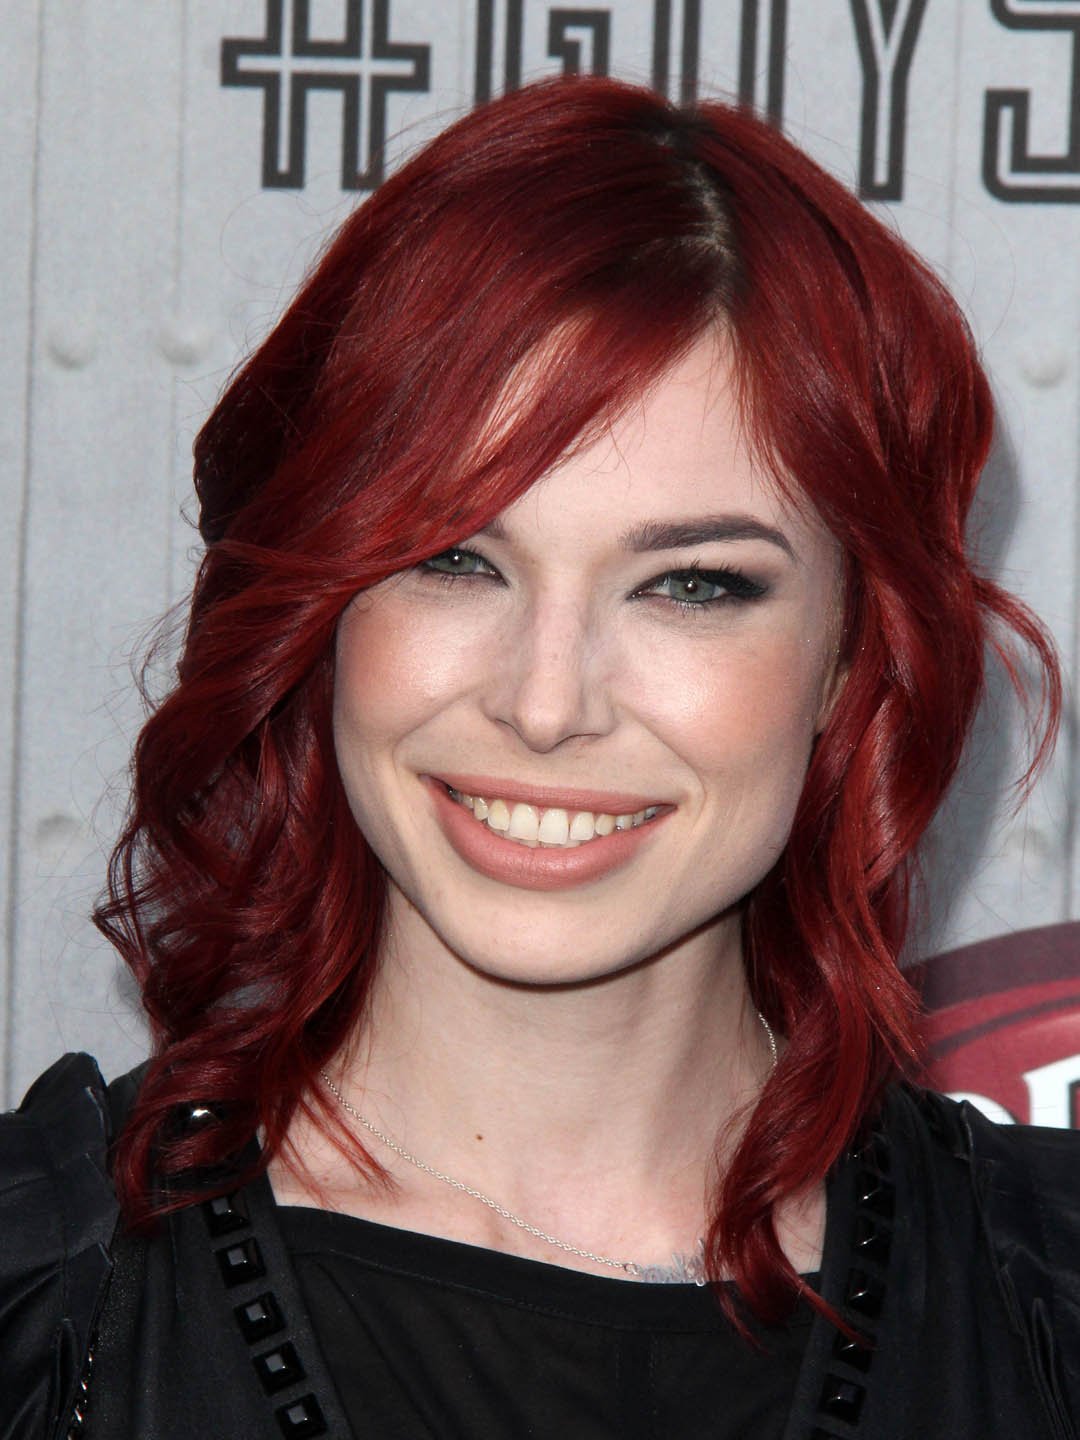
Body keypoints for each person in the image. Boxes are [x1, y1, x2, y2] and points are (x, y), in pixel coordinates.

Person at [2, 74, 1077, 1440]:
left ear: (855, 656)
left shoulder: (1047, 1303)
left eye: (692, 585)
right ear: (322, 609)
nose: (546, 702)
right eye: (453, 559)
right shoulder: (39, 1306)